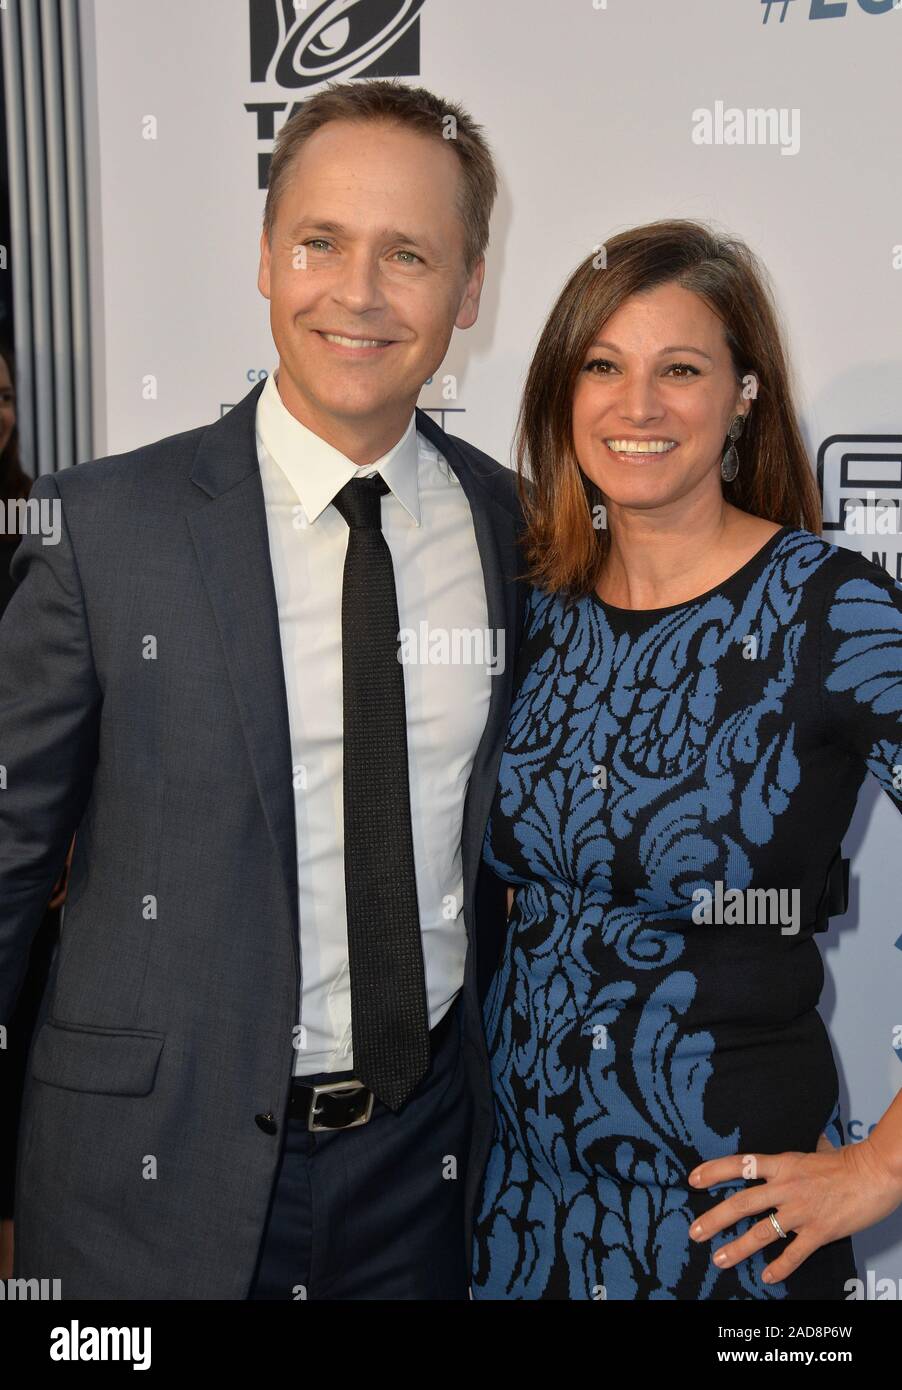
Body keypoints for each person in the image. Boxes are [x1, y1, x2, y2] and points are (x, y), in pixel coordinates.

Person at [0, 81, 527, 1299]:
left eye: (407, 253)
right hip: (142, 1178)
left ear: (468, 289)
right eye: (320, 243)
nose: (357, 292)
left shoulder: (515, 528)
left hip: (425, 1171)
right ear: (263, 258)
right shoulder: (102, 529)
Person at [470, 220, 902, 1300]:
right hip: (515, 1215)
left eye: (680, 369)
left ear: (743, 392)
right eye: (602, 367)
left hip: (732, 1223)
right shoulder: (534, 603)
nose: (637, 407)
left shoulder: (828, 606)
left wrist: (877, 1169)